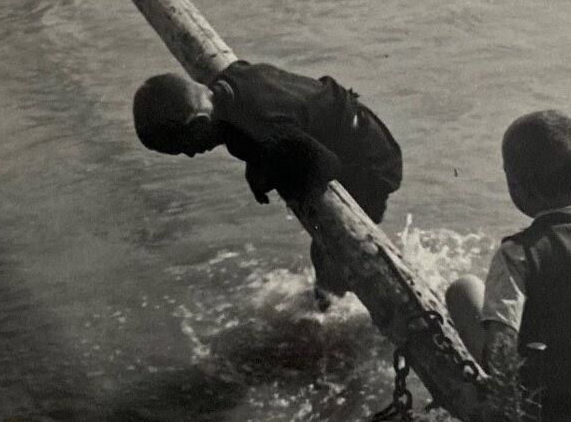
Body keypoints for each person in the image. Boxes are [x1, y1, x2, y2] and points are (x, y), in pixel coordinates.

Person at [132, 61, 403, 307]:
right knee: (323, 256)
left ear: (199, 123)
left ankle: (345, 315)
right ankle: (330, 310)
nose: (191, 154)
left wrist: (281, 181)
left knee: (336, 254)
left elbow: (324, 164)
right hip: (350, 126)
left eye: (185, 148)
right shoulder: (230, 83)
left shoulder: (258, 125)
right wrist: (260, 163)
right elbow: (270, 119)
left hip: (369, 162)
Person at [445, 110, 571, 422]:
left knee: (463, 288)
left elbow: (502, 345)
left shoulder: (519, 252)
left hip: (544, 403)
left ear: (514, 187)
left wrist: (508, 403)